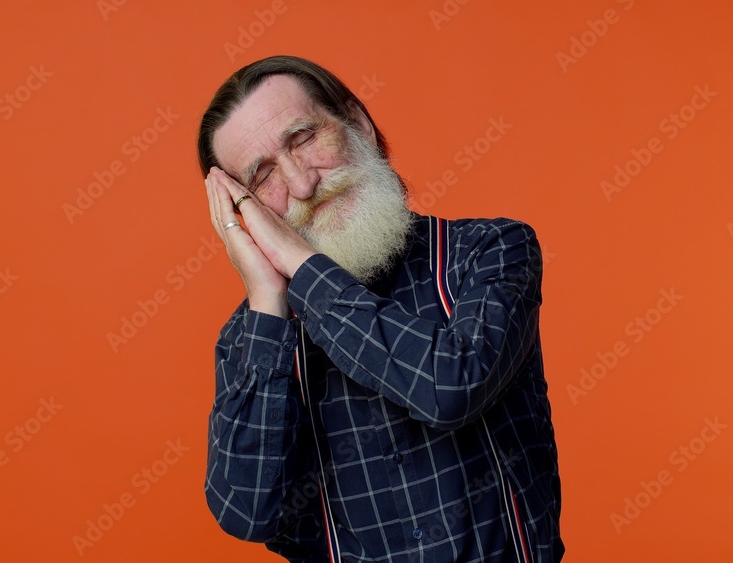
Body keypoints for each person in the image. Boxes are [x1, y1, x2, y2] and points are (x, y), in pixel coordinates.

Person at [199, 55, 563, 562]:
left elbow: (451, 387)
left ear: (359, 125)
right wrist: (266, 299)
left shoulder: (489, 249)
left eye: (304, 139)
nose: (303, 184)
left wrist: (302, 265)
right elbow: (245, 511)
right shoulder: (254, 333)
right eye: (262, 177)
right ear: (244, 212)